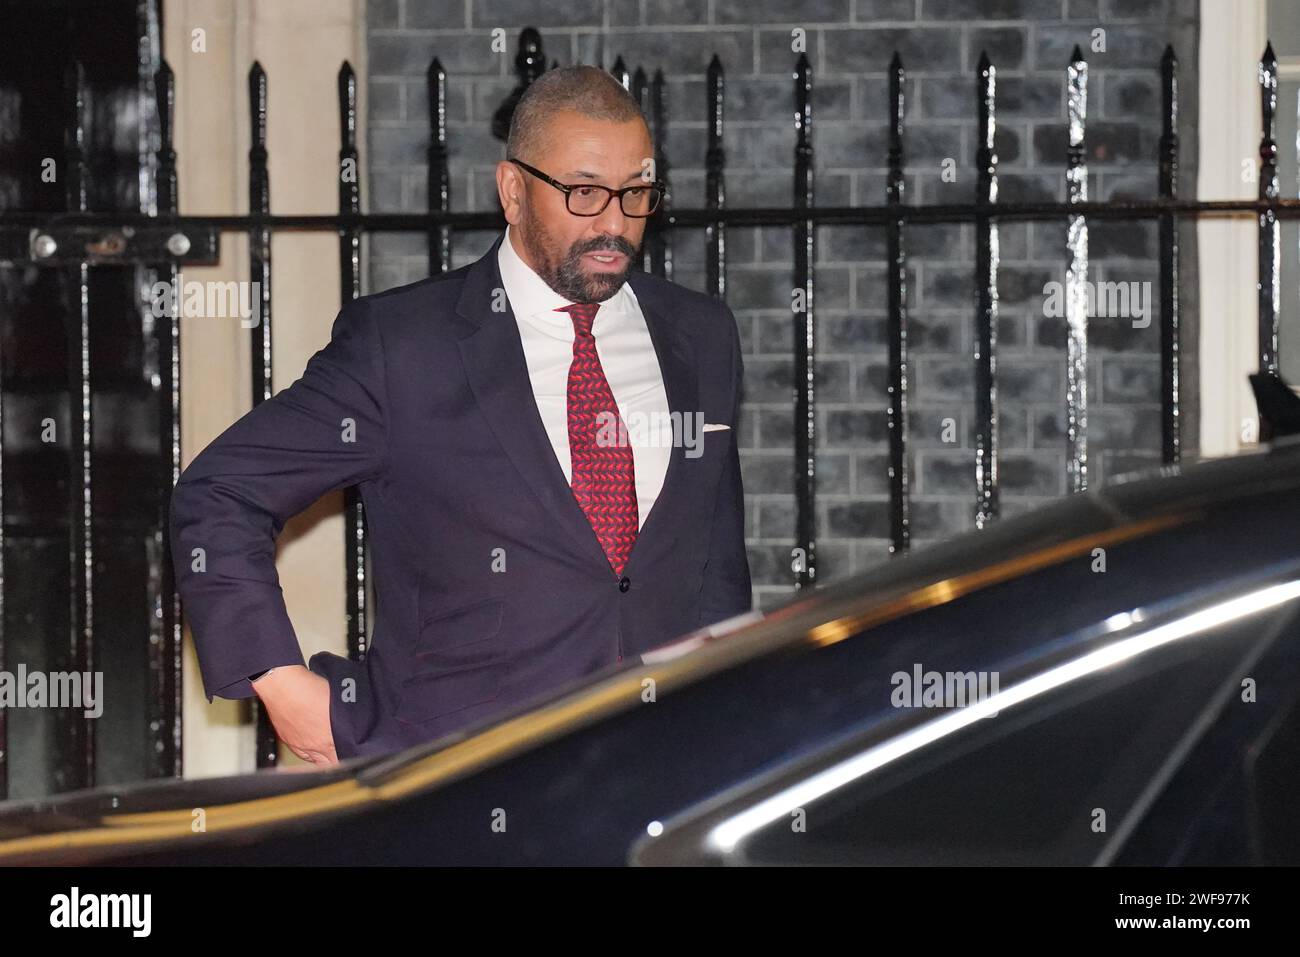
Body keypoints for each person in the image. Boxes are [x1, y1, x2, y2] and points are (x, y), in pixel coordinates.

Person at [170, 65, 751, 764]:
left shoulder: (702, 333)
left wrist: (731, 725)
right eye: (584, 192)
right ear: (513, 190)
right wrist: (281, 683)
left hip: (660, 774)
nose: (613, 222)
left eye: (636, 193)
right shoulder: (404, 345)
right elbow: (220, 492)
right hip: (461, 783)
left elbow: (714, 562)